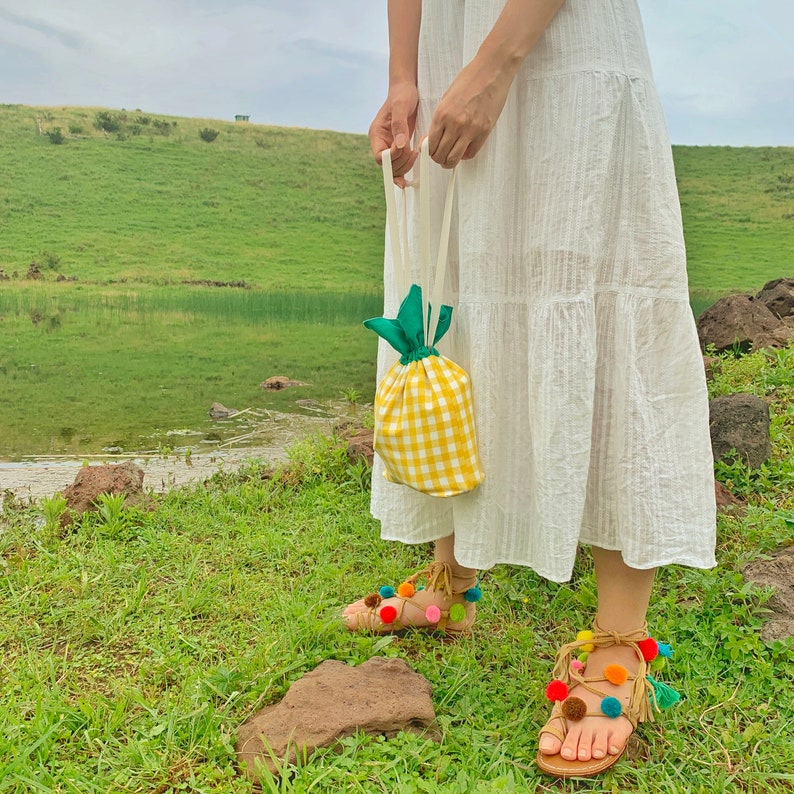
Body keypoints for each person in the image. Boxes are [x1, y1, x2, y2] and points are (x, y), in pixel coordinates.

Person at [344, 0, 716, 778]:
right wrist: (406, 76)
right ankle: (452, 576)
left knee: (600, 298)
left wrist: (496, 62)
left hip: (562, 49)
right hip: (451, 54)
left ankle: (618, 649)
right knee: (459, 305)